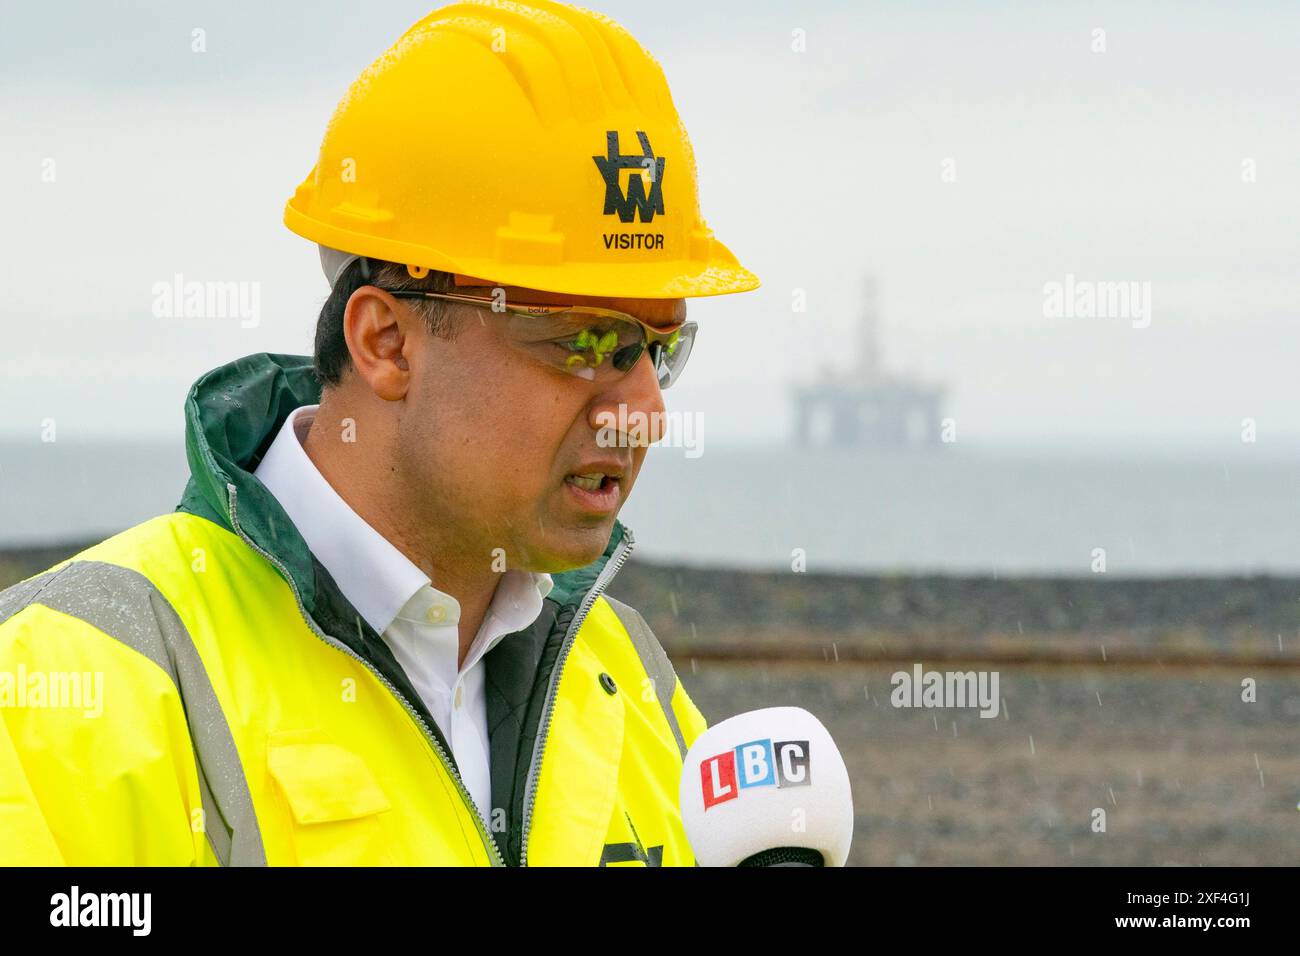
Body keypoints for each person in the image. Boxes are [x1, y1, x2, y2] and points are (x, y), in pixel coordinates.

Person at [0, 0, 759, 866]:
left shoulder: (625, 676)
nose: (643, 411)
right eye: (586, 343)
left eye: (660, 350)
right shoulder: (73, 684)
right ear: (385, 342)